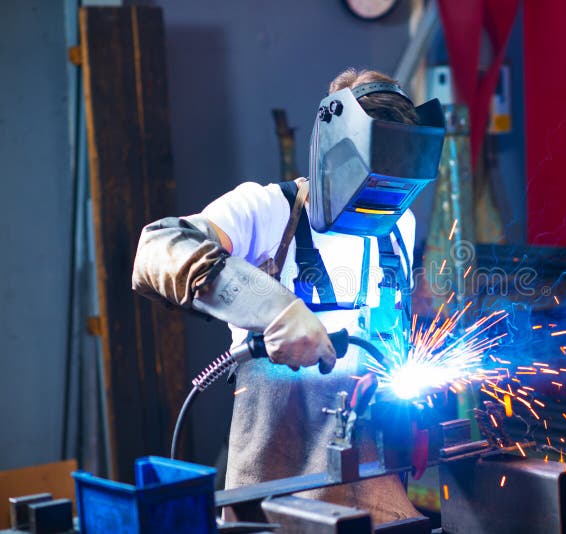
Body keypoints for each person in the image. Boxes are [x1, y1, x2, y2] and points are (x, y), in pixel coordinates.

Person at [131, 68, 445, 524]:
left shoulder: (398, 224)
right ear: (333, 154)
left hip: (368, 485)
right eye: (370, 185)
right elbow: (158, 248)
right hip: (273, 488)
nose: (381, 207)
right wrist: (276, 309)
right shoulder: (264, 209)